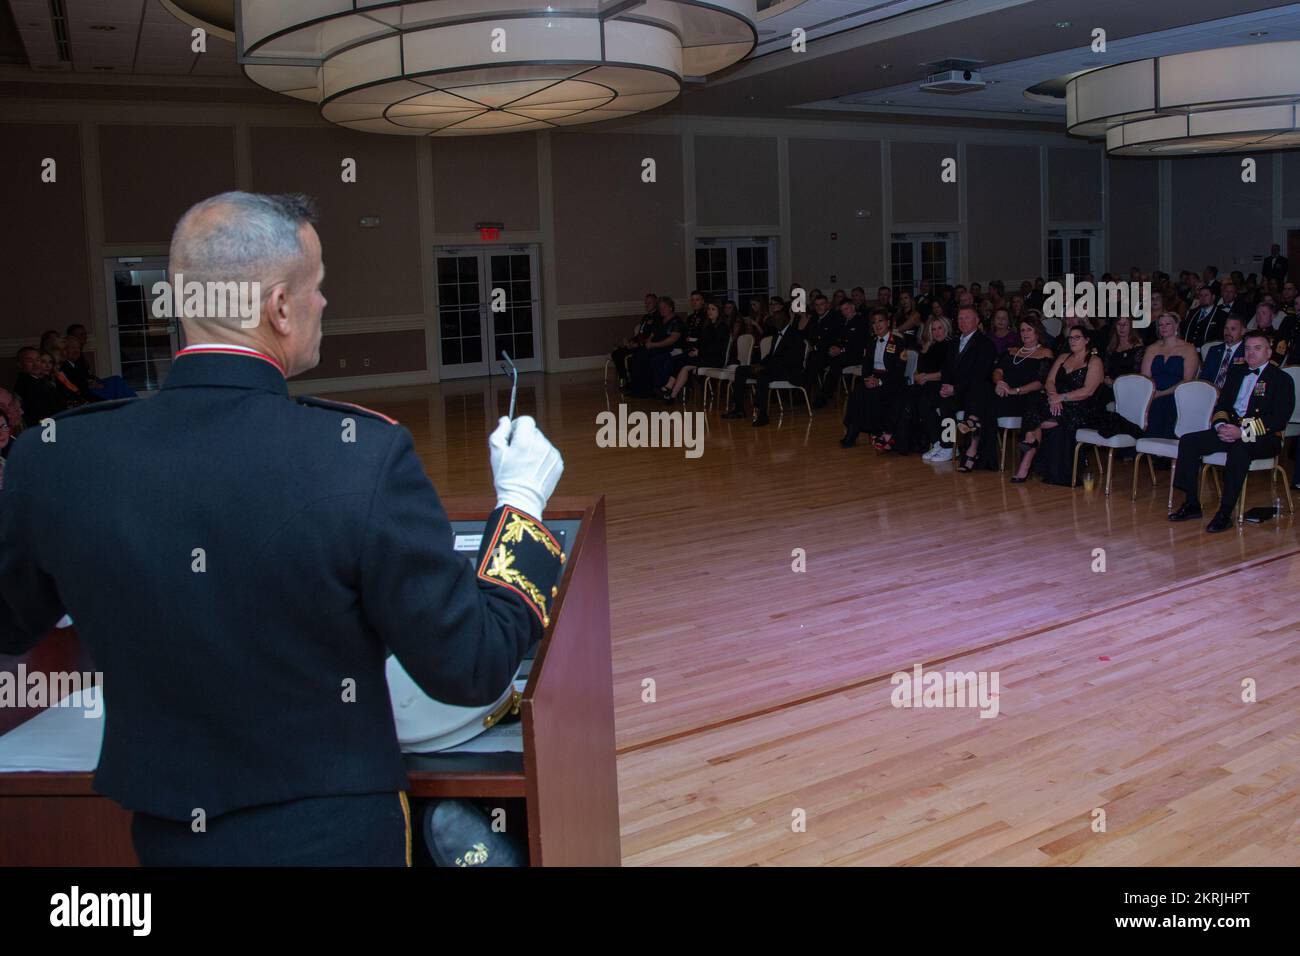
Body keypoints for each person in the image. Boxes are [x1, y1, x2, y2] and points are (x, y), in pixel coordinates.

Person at [0, 191, 565, 867]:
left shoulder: (57, 458)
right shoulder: (359, 457)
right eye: (318, 287)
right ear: (278, 307)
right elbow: (469, 665)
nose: (324, 303)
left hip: (166, 836)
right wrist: (523, 504)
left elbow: (11, 625)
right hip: (336, 831)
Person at [1169, 330, 1295, 532]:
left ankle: (1225, 513)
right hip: (1230, 430)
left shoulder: (1281, 379)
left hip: (1263, 437)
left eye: (1257, 348)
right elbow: (1222, 406)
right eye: (1247, 348)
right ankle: (1192, 503)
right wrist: (1221, 426)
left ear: (1269, 353)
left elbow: (1279, 419)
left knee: (1240, 450)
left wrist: (1242, 432)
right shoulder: (1237, 372)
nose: (1251, 353)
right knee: (1189, 442)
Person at [1011, 326, 1104, 485]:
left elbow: (1088, 391)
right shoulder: (1063, 357)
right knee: (1033, 399)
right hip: (1056, 402)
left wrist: (1062, 397)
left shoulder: (1094, 361)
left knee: (1038, 418)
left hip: (1080, 407)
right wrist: (1054, 396)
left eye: (1077, 337)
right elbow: (1049, 381)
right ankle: (1029, 450)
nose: (1073, 341)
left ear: (1087, 340)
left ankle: (1029, 448)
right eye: (1070, 338)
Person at [965, 317, 1052, 470]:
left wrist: (1016, 390)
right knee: (982, 389)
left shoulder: (1044, 352)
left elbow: (1041, 382)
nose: (1025, 333)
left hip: (1024, 398)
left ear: (1038, 332)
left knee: (983, 408)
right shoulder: (1012, 351)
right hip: (1004, 393)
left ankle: (973, 448)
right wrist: (999, 382)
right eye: (1022, 330)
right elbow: (997, 370)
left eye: (1029, 330)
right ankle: (974, 435)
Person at [923, 306, 996, 467]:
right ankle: (941, 444)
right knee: (928, 400)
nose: (962, 322)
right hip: (955, 390)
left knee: (947, 405)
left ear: (977, 321)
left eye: (967, 318)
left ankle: (949, 447)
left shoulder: (985, 344)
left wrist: (955, 389)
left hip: (975, 393)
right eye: (960, 318)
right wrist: (946, 386)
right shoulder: (955, 342)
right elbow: (947, 369)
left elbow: (980, 374)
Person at [721, 309, 806, 427]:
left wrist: (764, 367)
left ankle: (762, 415)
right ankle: (739, 409)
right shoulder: (777, 334)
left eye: (778, 318)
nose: (775, 321)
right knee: (740, 370)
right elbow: (771, 355)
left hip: (789, 371)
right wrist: (759, 364)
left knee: (763, 375)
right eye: (774, 319)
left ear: (786, 320)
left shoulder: (795, 335)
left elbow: (792, 360)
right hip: (773, 368)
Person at [840, 309, 906, 449]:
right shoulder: (870, 343)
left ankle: (875, 432)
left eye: (880, 321)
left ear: (887, 323)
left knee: (872, 394)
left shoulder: (899, 343)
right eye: (874, 322)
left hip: (891, 380)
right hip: (873, 376)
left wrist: (880, 381)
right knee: (856, 394)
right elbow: (866, 366)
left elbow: (898, 371)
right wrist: (867, 378)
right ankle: (853, 431)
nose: (877, 325)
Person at [896, 315, 952, 456]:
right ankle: (905, 440)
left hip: (941, 384)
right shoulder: (928, 346)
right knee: (902, 396)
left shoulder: (951, 345)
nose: (937, 332)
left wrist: (926, 377)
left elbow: (946, 372)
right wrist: (916, 376)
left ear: (946, 329)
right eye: (934, 329)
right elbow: (917, 370)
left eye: (940, 328)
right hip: (924, 383)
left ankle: (939, 443)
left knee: (923, 402)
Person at [1141, 313, 1200, 438]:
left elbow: (1187, 380)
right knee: (1148, 403)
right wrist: (1152, 393)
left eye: (1167, 324)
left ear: (1176, 326)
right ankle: (1149, 448)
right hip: (1153, 393)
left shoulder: (1188, 349)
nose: (1163, 327)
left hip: (1177, 394)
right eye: (1161, 324)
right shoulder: (1152, 348)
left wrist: (1161, 393)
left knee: (1163, 404)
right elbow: (1145, 377)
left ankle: (1162, 449)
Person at [1200, 317, 1246, 389]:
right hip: (1209, 393)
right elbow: (1204, 377)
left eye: (1233, 329)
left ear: (1243, 331)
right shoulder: (1214, 350)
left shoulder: (1246, 352)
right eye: (1226, 328)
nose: (1228, 332)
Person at [1180, 286, 1227, 350]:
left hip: (1208, 353)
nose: (1203, 298)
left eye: (1206, 295)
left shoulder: (1221, 315)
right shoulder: (1192, 313)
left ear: (1213, 297)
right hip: (1189, 350)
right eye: (1201, 295)